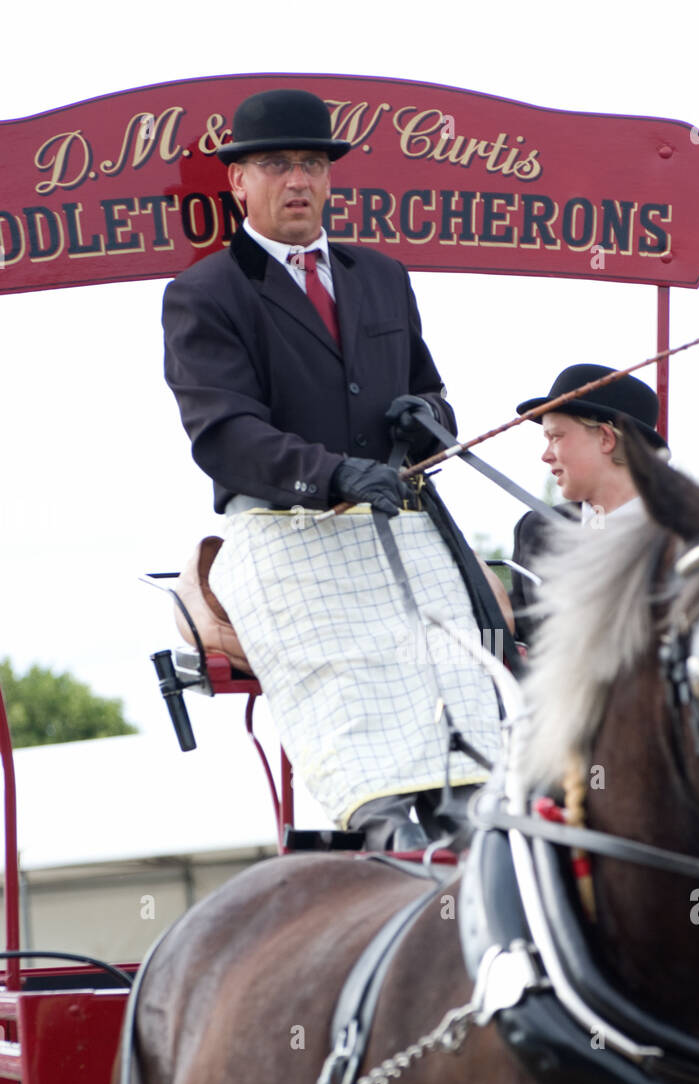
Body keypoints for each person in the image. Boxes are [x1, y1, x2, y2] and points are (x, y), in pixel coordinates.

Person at [162, 88, 504, 849]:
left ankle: (485, 875)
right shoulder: (203, 294)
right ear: (238, 183)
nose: (297, 180)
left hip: (402, 533)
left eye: (311, 163)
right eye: (276, 164)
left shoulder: (382, 275)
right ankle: (392, 864)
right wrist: (333, 475)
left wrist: (428, 423)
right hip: (289, 540)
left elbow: (429, 388)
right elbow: (223, 434)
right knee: (365, 734)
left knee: (467, 726)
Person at [510, 363, 669, 644]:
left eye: (556, 437)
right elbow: (510, 651)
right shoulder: (536, 530)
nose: (545, 455)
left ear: (606, 439)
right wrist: (490, 615)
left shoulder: (683, 534)